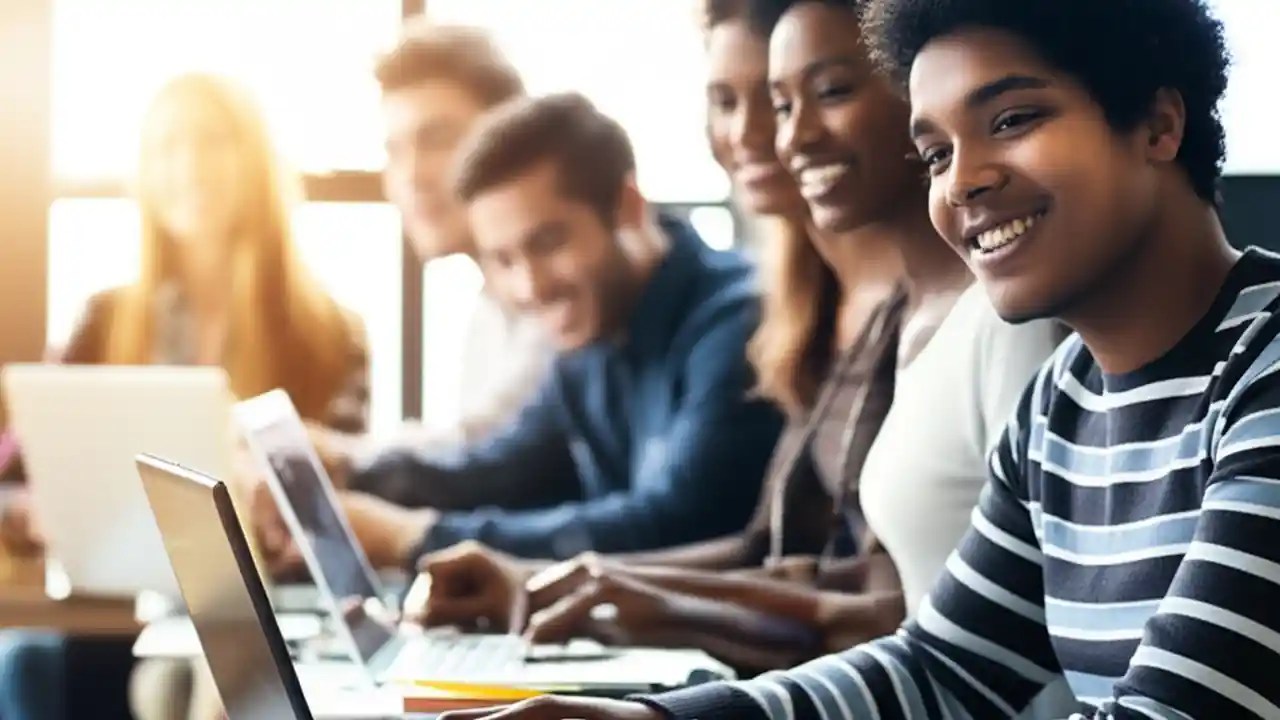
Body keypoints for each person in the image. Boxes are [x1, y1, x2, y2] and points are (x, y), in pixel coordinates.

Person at [442, 0, 1280, 717]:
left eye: (1013, 120)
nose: (963, 184)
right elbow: (942, 671)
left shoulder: (1266, 365)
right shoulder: (1062, 400)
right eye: (937, 153)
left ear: (1159, 123)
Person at [415, 0, 1066, 689]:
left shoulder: (995, 321)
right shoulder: (871, 314)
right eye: (749, 102)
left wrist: (634, 601)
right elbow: (783, 554)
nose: (775, 135)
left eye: (829, 92)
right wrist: (572, 584)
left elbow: (903, 619)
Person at [270, 91, 784, 573]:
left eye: (549, 242)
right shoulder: (589, 338)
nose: (529, 286)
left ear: (627, 207)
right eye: (503, 259)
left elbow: (674, 523)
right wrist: (346, 473)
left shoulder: (736, 322)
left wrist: (414, 536)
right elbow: (499, 470)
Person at [0, 73, 369, 720]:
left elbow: (338, 503)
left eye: (211, 141)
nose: (189, 165)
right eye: (167, 146)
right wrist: (35, 511)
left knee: (207, 681)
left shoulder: (329, 335)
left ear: (254, 161)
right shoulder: (101, 322)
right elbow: (10, 482)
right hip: (121, 615)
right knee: (31, 665)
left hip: (268, 620)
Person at [306, 19, 552, 473]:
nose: (412, 175)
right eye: (394, 151)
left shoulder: (553, 295)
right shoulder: (486, 312)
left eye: (436, 139)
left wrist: (339, 455)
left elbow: (485, 447)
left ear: (509, 137)